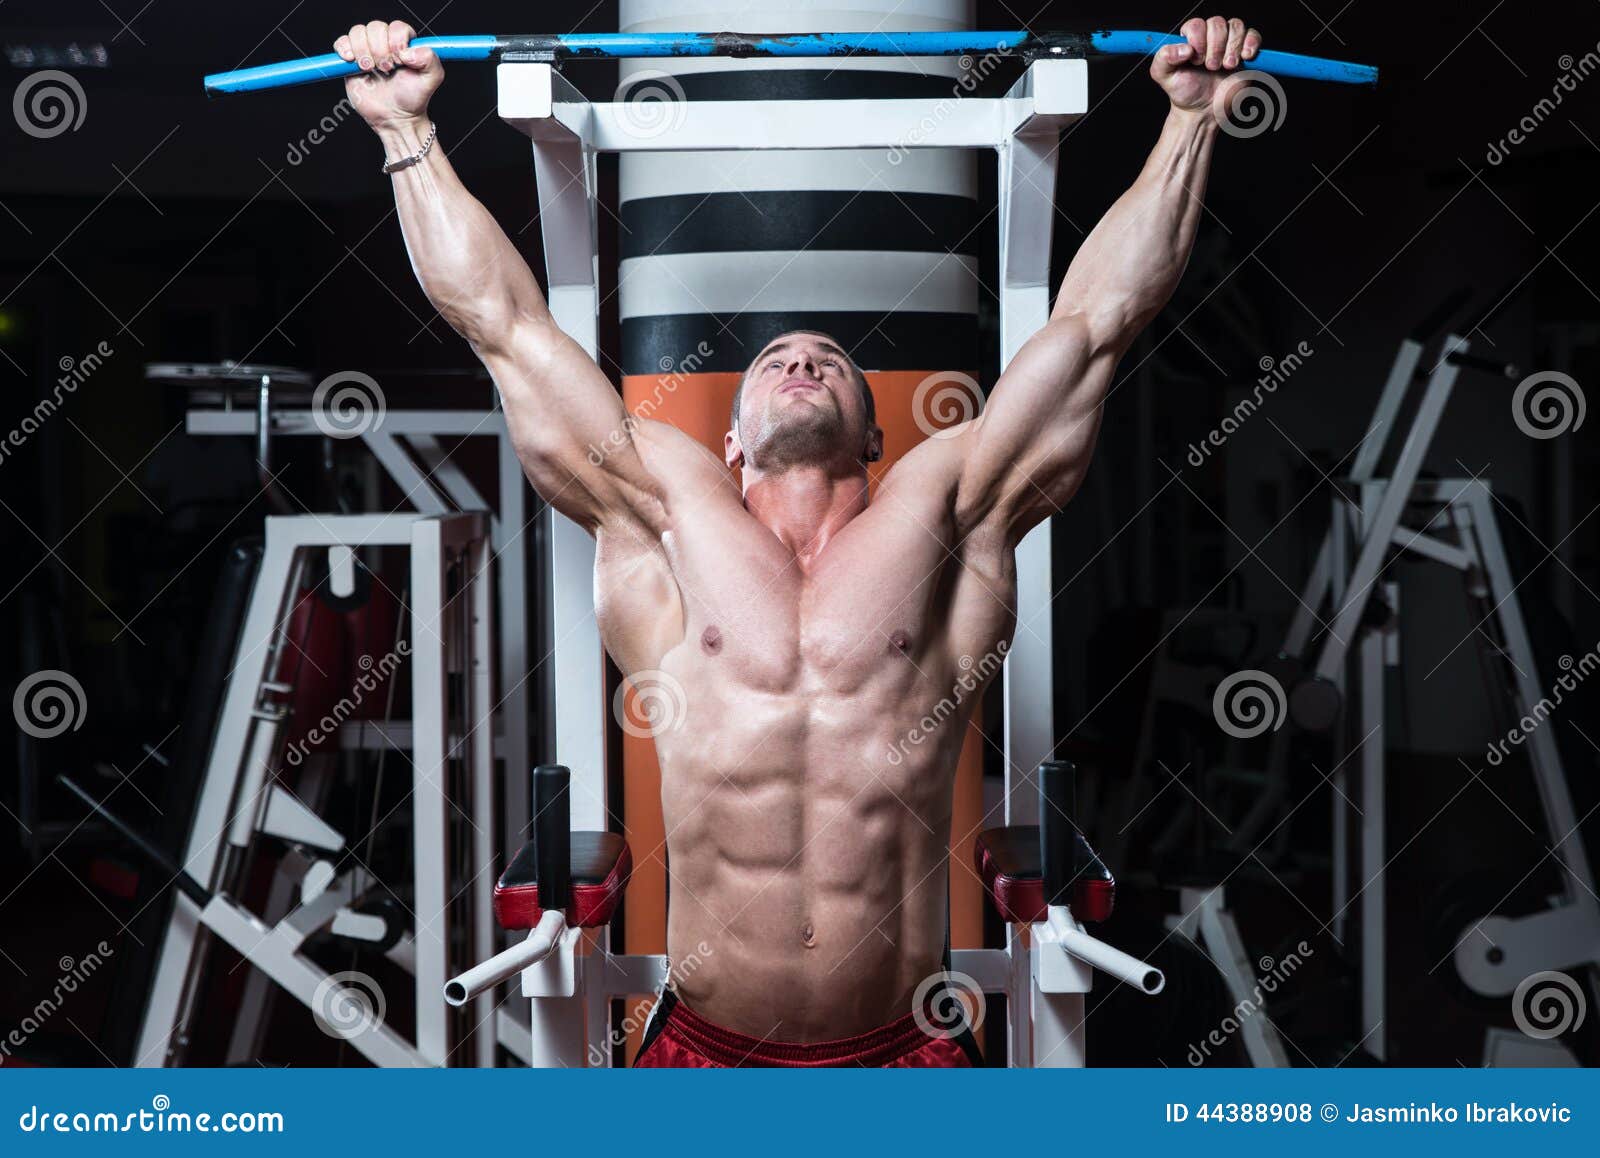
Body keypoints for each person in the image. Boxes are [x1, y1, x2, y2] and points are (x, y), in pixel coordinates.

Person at [333, 14, 1264, 1067]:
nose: (803, 358)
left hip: (905, 1046)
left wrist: (1189, 120)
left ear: (874, 431)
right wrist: (403, 131)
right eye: (777, 355)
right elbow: (506, 328)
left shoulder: (945, 511)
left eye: (829, 355)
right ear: (728, 441)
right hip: (704, 1049)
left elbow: (1094, 326)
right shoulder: (670, 510)